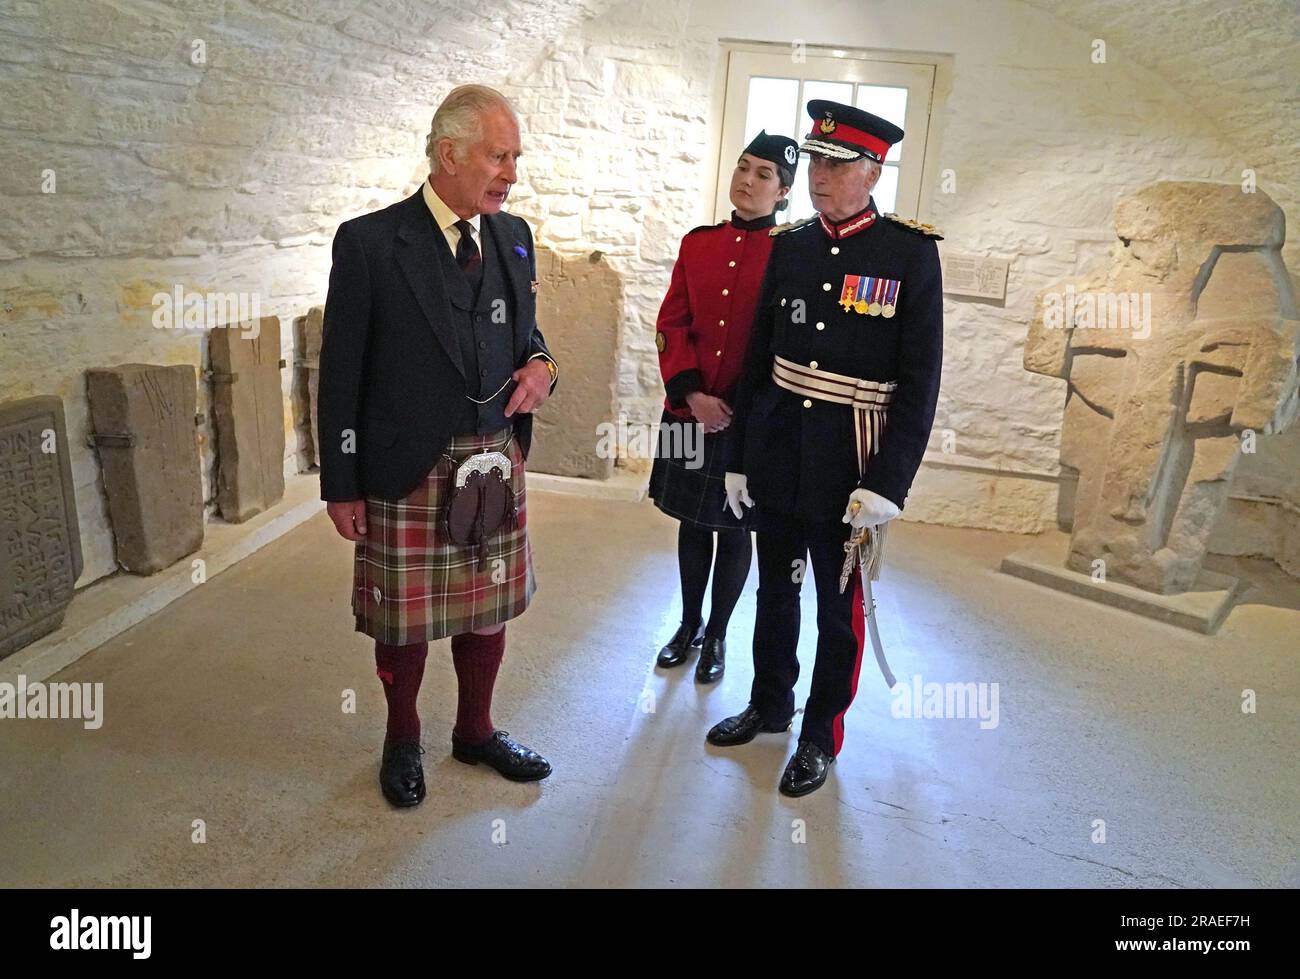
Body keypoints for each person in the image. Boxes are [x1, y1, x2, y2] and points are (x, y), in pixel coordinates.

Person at [318, 85, 560, 808]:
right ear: (448, 152)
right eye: (498, 155)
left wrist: (545, 369)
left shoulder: (514, 237)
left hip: (492, 459)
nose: (511, 172)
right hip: (405, 462)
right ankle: (400, 738)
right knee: (404, 616)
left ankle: (476, 730)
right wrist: (342, 482)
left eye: (515, 156)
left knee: (487, 609)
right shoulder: (369, 243)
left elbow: (530, 339)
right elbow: (340, 372)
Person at [710, 100, 944, 797]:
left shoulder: (908, 253)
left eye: (838, 165)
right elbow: (760, 359)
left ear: (873, 171)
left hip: (852, 461)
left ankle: (820, 733)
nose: (820, 176)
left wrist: (889, 482)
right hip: (781, 450)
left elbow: (920, 381)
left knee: (837, 610)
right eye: (815, 161)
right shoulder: (792, 245)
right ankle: (771, 702)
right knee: (774, 589)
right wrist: (740, 458)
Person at [648, 131, 799, 684]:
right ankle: (687, 624)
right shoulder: (699, 243)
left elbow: (784, 341)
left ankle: (717, 634)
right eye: (743, 167)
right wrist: (692, 394)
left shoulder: (791, 253)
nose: (748, 180)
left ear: (783, 192)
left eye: (764, 174)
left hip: (746, 421)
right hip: (687, 410)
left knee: (737, 526)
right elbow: (672, 323)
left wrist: (735, 407)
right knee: (690, 521)